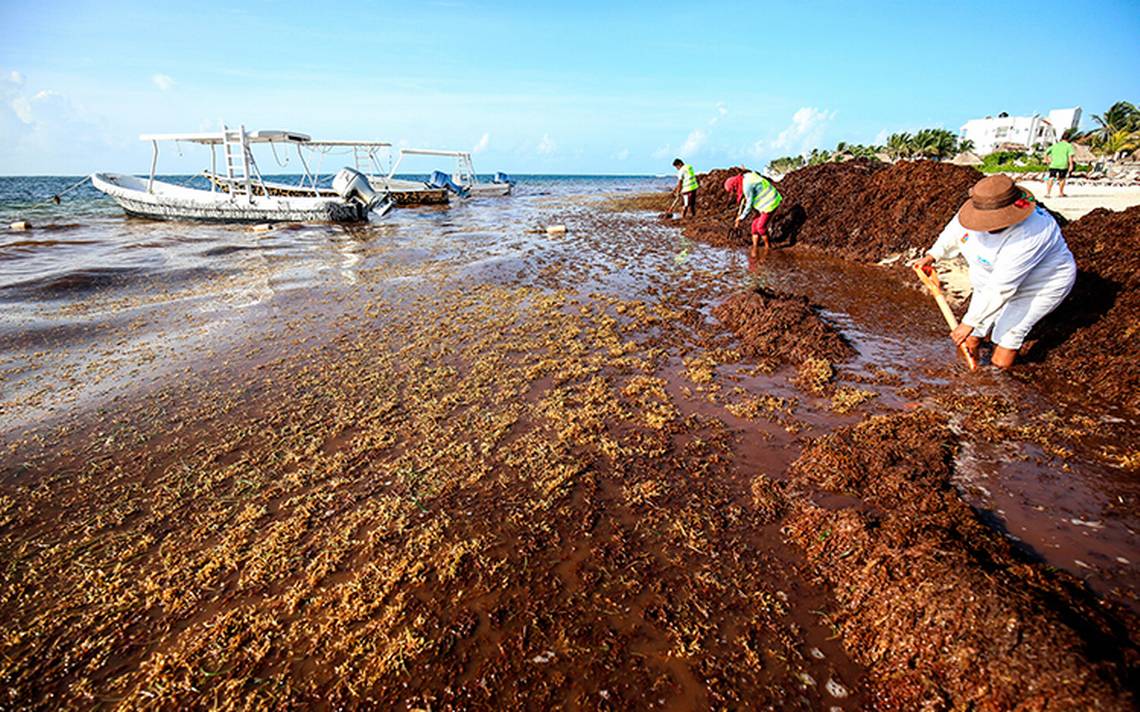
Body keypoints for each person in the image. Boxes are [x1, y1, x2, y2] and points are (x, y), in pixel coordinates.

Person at [917, 174, 1076, 369]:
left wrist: (969, 322)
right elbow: (953, 232)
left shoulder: (1032, 232)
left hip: (1041, 284)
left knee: (1007, 334)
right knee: (973, 335)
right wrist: (933, 255)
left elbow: (1002, 286)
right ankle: (966, 375)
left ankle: (996, 383)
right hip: (990, 279)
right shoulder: (979, 205)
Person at [724, 171, 782, 251]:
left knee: (760, 227)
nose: (734, 192)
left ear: (735, 185)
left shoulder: (747, 186)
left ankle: (768, 247)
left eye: (734, 190)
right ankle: (755, 247)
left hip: (770, 202)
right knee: (754, 226)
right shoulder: (744, 178)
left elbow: (749, 204)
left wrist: (741, 217)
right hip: (763, 204)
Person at [1044, 131, 1076, 198]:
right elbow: (1070, 157)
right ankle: (1061, 193)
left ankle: (1048, 193)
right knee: (1062, 178)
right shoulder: (1069, 146)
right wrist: (1071, 165)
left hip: (1053, 164)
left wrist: (1047, 160)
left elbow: (1045, 153)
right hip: (1063, 164)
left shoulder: (1055, 145)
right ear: (1069, 138)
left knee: (1051, 177)